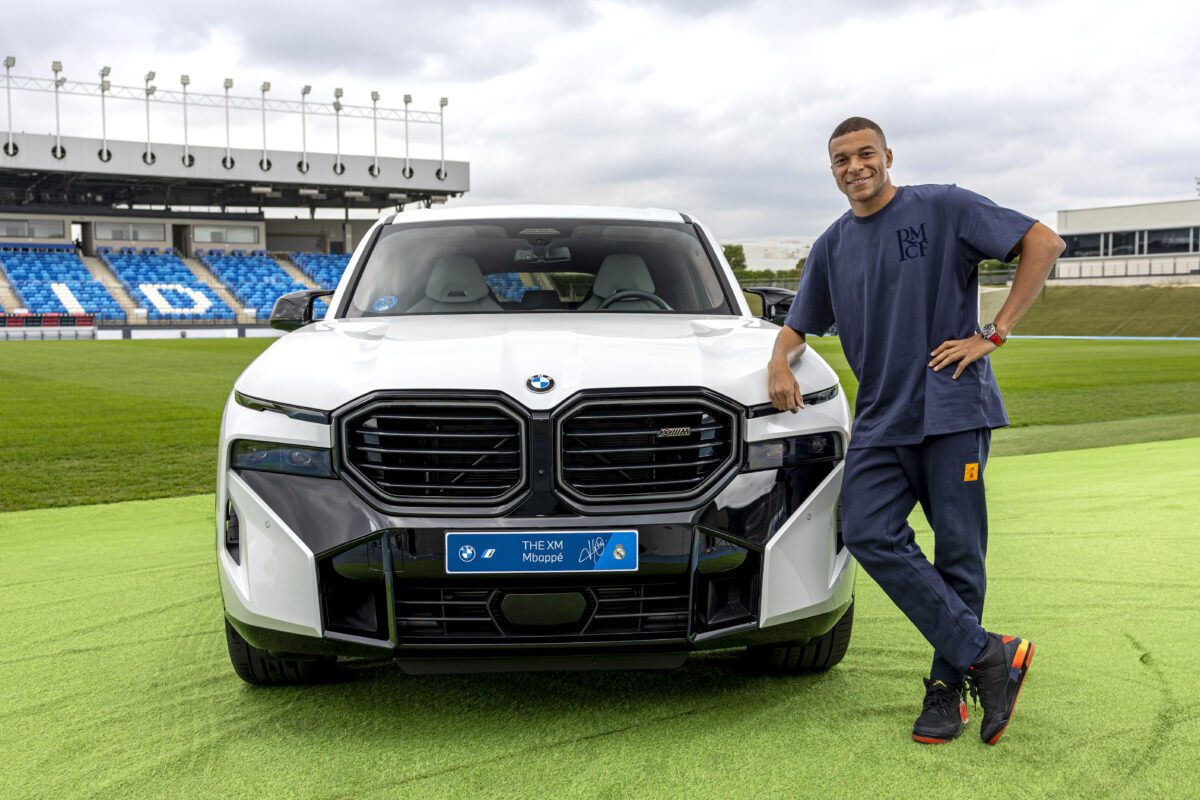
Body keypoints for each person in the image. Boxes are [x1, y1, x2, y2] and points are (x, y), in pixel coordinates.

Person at [766, 117, 1064, 746]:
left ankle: (945, 689)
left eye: (864, 154)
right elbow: (798, 325)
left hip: (950, 410)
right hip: (879, 420)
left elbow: (1044, 242)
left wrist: (994, 333)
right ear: (833, 170)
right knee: (869, 531)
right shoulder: (832, 244)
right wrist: (777, 361)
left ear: (888, 156)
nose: (854, 167)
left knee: (959, 552)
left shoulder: (943, 207)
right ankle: (988, 655)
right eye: (841, 159)